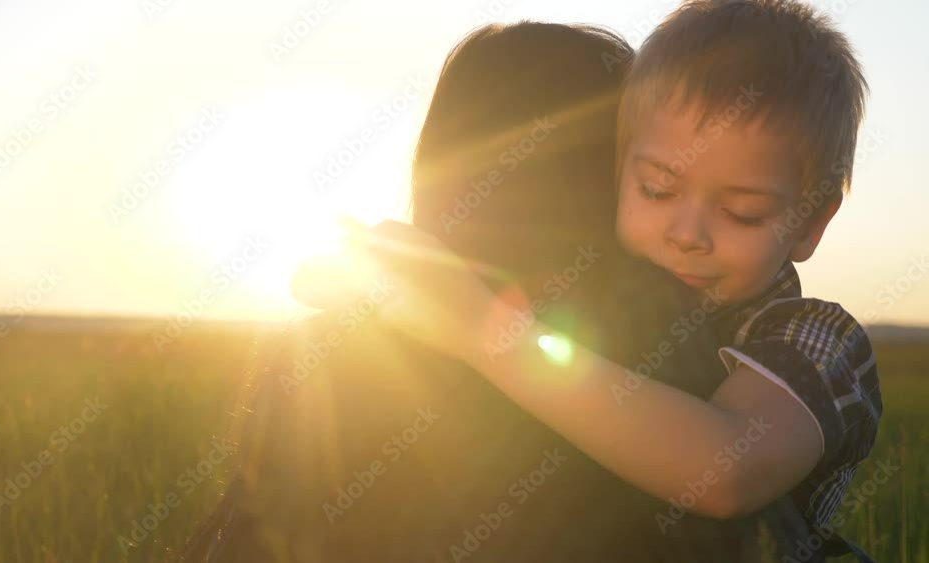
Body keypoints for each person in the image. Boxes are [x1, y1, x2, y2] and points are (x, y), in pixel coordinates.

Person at [182, 21, 814, 563]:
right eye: (657, 181)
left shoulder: (327, 349)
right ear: (610, 169)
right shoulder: (671, 353)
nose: (687, 232)